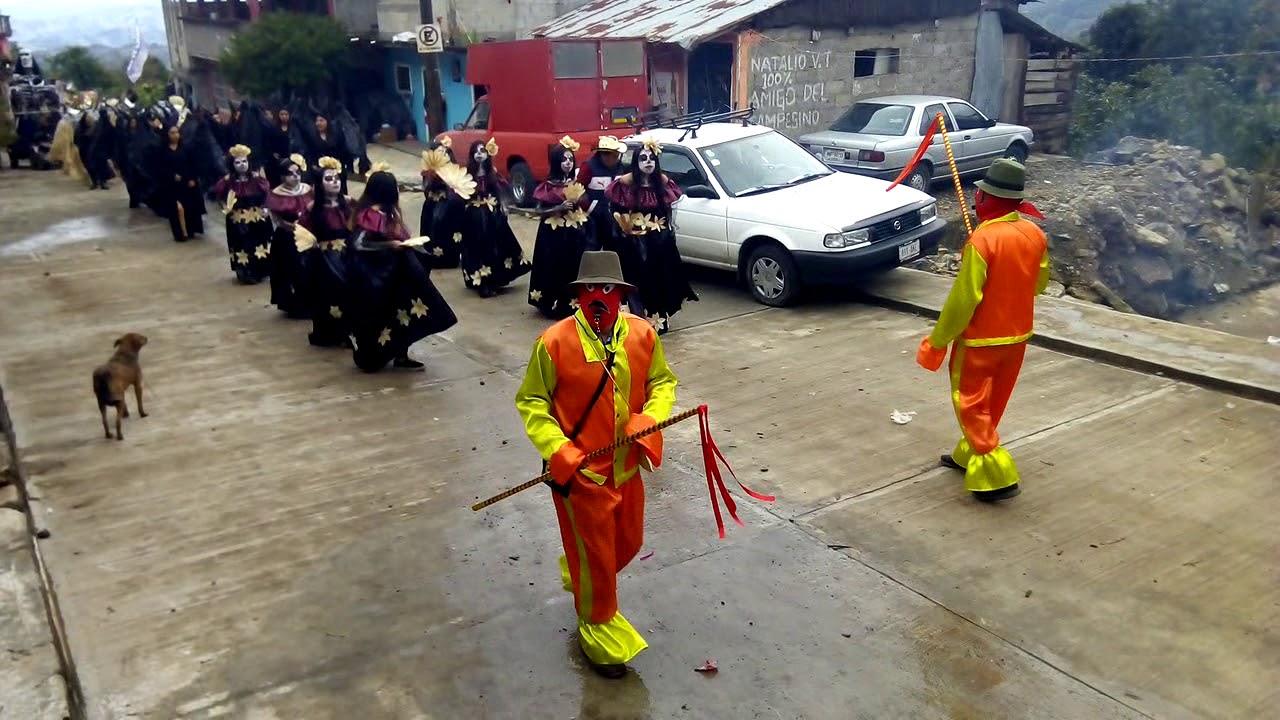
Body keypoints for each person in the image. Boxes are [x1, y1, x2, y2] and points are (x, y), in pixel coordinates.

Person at [515, 250, 677, 679]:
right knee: (599, 565)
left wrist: (649, 418)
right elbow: (532, 400)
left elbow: (662, 382)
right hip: (581, 478)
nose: (599, 298)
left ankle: (583, 570)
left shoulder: (642, 335)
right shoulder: (553, 344)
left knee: (628, 542)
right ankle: (600, 636)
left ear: (621, 295)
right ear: (578, 296)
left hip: (627, 469)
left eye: (608, 289)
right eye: (591, 289)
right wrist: (558, 448)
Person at [915, 158, 1051, 502]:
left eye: (981, 194)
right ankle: (969, 453)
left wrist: (938, 340)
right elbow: (1039, 285)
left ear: (987, 200)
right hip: (1018, 337)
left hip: (979, 341)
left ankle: (995, 473)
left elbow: (963, 301)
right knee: (992, 403)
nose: (976, 199)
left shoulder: (983, 240)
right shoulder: (1035, 234)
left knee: (970, 403)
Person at [346, 167, 458, 372]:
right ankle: (370, 355)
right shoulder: (368, 215)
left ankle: (401, 354)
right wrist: (389, 246)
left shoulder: (390, 212)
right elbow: (358, 245)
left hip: (395, 274)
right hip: (375, 278)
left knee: (403, 312)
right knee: (378, 317)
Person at [605, 138, 698, 333]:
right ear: (636, 163)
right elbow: (616, 213)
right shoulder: (625, 185)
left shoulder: (661, 185)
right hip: (634, 245)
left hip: (658, 245)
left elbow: (667, 213)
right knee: (637, 281)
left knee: (660, 280)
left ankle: (658, 319)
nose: (648, 162)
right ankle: (636, 319)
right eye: (643, 158)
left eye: (652, 158)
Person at [456, 138, 530, 298]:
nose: (479, 154)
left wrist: (503, 205)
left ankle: (495, 279)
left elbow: (500, 190)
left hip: (491, 214)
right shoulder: (467, 172)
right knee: (477, 247)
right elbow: (461, 194)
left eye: (482, 151)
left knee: (496, 246)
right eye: (476, 151)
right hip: (474, 216)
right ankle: (481, 281)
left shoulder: (492, 172)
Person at [528, 137, 592, 319]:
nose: (568, 163)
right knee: (552, 266)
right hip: (553, 235)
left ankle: (572, 303)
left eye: (571, 159)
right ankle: (550, 303)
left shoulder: (575, 185)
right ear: (556, 162)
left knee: (572, 266)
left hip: (573, 233)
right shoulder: (547, 187)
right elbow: (538, 211)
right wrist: (559, 208)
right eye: (564, 159)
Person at [298, 156, 354, 348]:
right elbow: (303, 233)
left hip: (347, 257)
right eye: (329, 179)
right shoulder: (313, 209)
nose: (334, 182)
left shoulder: (348, 203)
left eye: (337, 178)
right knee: (329, 297)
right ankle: (331, 332)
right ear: (320, 184)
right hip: (324, 260)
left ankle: (350, 331)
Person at [213, 144, 274, 284]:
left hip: (258, 219)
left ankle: (261, 270)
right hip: (238, 221)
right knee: (243, 246)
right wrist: (225, 207)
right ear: (232, 164)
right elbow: (218, 196)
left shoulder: (257, 179)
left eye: (244, 161)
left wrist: (266, 208)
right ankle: (246, 272)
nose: (242, 165)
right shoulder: (228, 181)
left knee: (260, 244)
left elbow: (267, 196)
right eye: (238, 162)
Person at [266, 155, 314, 316]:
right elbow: (276, 218)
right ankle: (293, 304)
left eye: (297, 173)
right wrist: (292, 226)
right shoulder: (276, 193)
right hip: (287, 237)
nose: (295, 176)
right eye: (290, 173)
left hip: (308, 235)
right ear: (282, 176)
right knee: (292, 269)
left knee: (309, 268)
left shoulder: (308, 189)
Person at [150, 121, 206, 242]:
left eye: (177, 132)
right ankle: (180, 233)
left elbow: (193, 164)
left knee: (189, 208)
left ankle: (189, 230)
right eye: (172, 133)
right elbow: (159, 168)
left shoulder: (186, 148)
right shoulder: (162, 151)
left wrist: (192, 179)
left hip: (187, 184)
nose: (175, 135)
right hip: (171, 186)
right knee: (176, 209)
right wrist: (171, 176)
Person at [417, 138, 463, 269]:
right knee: (433, 227)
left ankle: (452, 257)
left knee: (451, 231)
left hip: (451, 204)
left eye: (444, 152)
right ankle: (434, 258)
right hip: (434, 203)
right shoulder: (429, 169)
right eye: (438, 152)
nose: (442, 154)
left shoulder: (453, 167)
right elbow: (426, 188)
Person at [577, 136, 625, 251]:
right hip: (593, 220)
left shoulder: (621, 167)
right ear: (604, 155)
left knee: (613, 250)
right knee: (591, 250)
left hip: (614, 218)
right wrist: (587, 208)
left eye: (617, 155)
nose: (617, 158)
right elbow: (577, 190)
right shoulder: (588, 167)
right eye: (615, 156)